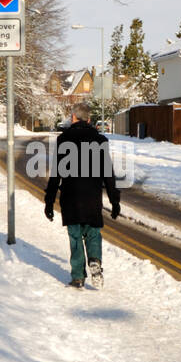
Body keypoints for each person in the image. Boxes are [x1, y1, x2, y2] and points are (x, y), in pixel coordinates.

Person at [44, 104, 120, 288]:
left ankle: (78, 277)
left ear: (74, 118)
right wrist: (114, 200)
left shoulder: (64, 140)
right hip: (92, 196)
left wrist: (49, 201)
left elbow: (56, 173)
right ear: (89, 119)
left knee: (75, 236)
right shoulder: (100, 140)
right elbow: (107, 173)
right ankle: (94, 260)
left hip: (70, 196)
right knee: (93, 232)